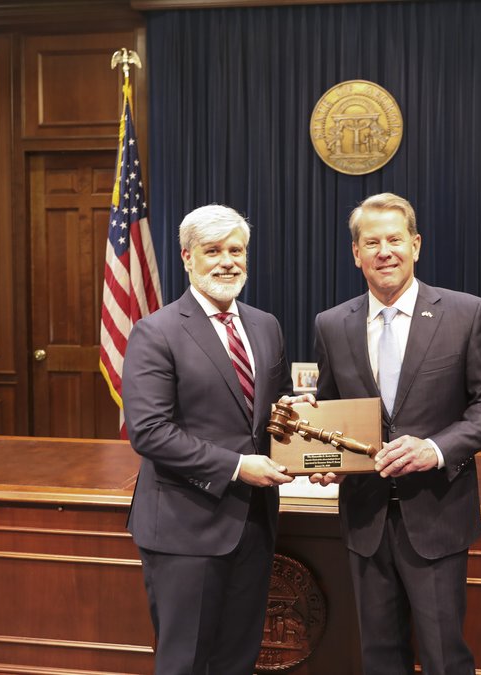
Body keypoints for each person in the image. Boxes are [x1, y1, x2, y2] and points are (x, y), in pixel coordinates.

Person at [311, 193, 481, 674]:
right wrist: (327, 462)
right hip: (366, 518)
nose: (385, 251)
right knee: (380, 656)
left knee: (445, 656)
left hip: (437, 514)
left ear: (416, 245)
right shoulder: (331, 324)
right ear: (356, 253)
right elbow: (334, 413)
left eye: (395, 239)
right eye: (372, 241)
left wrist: (436, 449)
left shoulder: (466, 314)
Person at [123, 204, 302, 674]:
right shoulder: (155, 331)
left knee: (238, 659)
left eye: (236, 250)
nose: (228, 261)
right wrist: (239, 467)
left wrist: (305, 439)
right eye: (213, 251)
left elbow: (273, 411)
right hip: (186, 527)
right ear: (186, 257)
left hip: (255, 525)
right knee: (185, 662)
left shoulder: (266, 325)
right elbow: (149, 431)